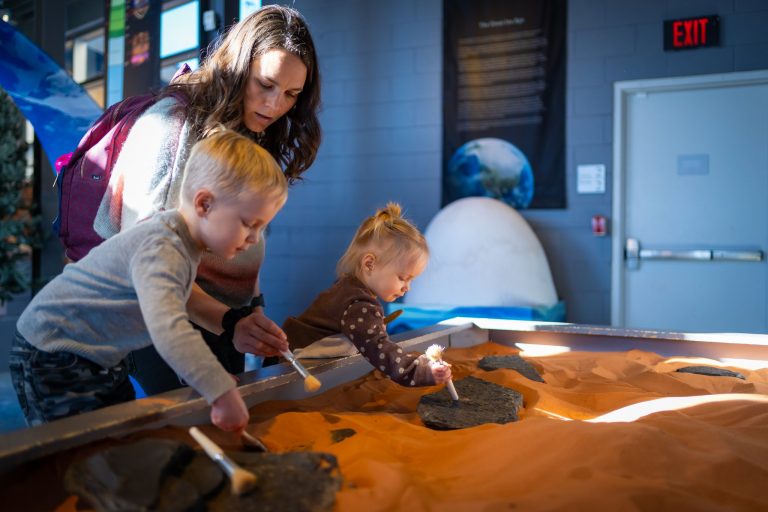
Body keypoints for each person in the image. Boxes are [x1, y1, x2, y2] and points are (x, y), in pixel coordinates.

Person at [90, 5, 321, 394]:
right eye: (265, 84)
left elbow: (247, 238)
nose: (274, 105)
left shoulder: (252, 131)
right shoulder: (170, 122)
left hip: (224, 326)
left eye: (291, 94)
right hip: (159, 327)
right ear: (237, 67)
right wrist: (229, 321)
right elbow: (145, 262)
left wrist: (253, 310)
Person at [9, 130, 289, 430]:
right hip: (54, 348)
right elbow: (169, 329)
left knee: (124, 431)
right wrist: (219, 390)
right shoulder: (163, 247)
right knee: (81, 442)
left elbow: (167, 315)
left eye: (261, 228)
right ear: (205, 204)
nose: (254, 239)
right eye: (249, 224)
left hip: (99, 354)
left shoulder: (183, 243)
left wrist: (199, 375)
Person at [282, 203, 453, 387]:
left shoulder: (350, 289)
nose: (407, 288)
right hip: (289, 365)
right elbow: (380, 350)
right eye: (403, 278)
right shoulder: (358, 304)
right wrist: (421, 372)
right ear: (370, 264)